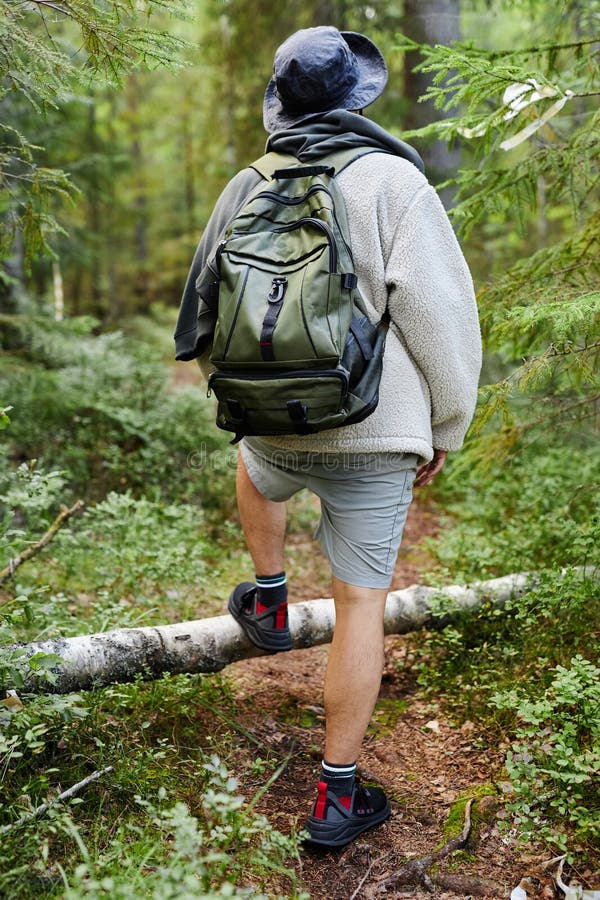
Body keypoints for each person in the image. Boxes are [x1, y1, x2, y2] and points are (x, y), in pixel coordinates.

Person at [175, 26, 482, 848]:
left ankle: (268, 595)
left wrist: (255, 397)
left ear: (283, 101)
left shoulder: (249, 181)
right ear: (356, 98)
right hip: (375, 433)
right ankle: (336, 798)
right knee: (359, 605)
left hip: (271, 430)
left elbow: (200, 312)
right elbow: (442, 323)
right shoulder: (394, 180)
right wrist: (444, 424)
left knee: (252, 462)